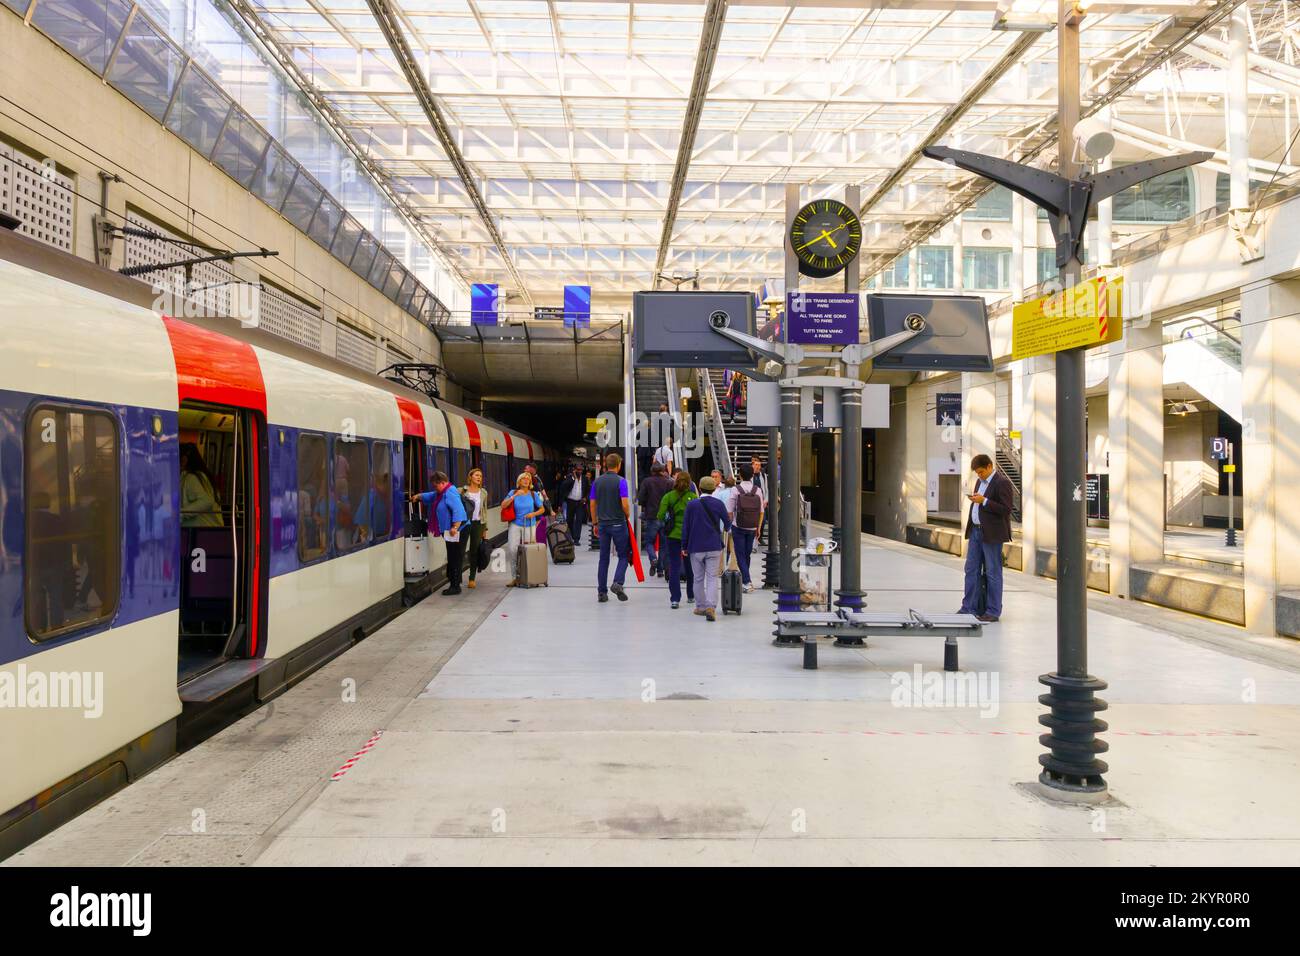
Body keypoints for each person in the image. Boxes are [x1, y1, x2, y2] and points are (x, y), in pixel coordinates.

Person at [959, 454, 1014, 623]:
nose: (979, 475)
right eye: (977, 473)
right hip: (976, 531)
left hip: (991, 534)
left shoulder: (1002, 483)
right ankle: (969, 607)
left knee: (992, 572)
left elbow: (1006, 509)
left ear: (990, 466)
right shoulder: (979, 482)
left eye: (981, 472)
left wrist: (984, 501)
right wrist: (977, 500)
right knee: (971, 570)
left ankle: (993, 611)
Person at [680, 475, 732, 622]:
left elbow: (686, 527)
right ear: (714, 488)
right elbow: (727, 525)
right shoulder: (718, 504)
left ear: (700, 488)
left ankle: (701, 607)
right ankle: (711, 607)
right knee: (712, 578)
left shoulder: (692, 505)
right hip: (714, 546)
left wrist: (684, 545)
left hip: (695, 547)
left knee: (698, 578)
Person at [409, 471, 467, 596]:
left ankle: (455, 586)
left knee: (454, 557)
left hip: (456, 531)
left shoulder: (450, 492)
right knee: (452, 556)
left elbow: (458, 510)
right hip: (450, 531)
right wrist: (419, 496)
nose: (435, 488)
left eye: (436, 485)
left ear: (442, 482)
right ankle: (454, 583)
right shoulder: (442, 492)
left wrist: (455, 527)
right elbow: (432, 495)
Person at [589, 452, 631, 603]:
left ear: (606, 465)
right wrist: (627, 514)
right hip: (619, 523)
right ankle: (618, 583)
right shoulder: (621, 481)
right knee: (623, 556)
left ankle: (602, 593)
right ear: (619, 465)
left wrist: (595, 523)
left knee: (603, 558)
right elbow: (625, 504)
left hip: (603, 525)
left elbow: (593, 504)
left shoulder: (597, 482)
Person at [656, 470, 697, 609]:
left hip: (672, 535)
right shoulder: (693, 497)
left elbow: (660, 516)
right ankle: (691, 595)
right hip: (689, 536)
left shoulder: (668, 497)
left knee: (674, 566)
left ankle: (675, 599)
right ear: (689, 482)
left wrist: (669, 517)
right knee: (690, 566)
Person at [503, 472, 546, 586]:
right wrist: (514, 496)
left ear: (530, 483)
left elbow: (542, 509)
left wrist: (533, 514)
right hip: (515, 525)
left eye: (528, 479)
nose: (526, 480)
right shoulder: (513, 492)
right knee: (513, 550)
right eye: (523, 479)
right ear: (519, 481)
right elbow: (503, 505)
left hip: (530, 525)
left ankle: (529, 576)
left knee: (528, 551)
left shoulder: (533, 494)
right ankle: (515, 578)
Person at [636, 462, 673, 576]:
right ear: (662, 471)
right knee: (663, 545)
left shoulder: (647, 482)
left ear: (652, 471)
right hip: (665, 517)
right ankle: (660, 570)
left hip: (651, 516)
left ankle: (653, 559)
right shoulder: (669, 482)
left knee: (649, 542)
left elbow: (641, 499)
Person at [732, 464, 765, 592]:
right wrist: (759, 527)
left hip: (738, 525)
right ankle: (745, 580)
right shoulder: (757, 490)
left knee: (740, 555)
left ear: (740, 474)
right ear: (752, 475)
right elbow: (761, 511)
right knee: (747, 555)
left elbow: (729, 510)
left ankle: (747, 581)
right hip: (752, 527)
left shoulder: (736, 489)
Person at [180, 443, 223, 528]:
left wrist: (181, 514)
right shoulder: (202, 476)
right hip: (210, 532)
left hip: (203, 533)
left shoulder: (192, 478)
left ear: (184, 460)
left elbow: (206, 501)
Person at [461, 467, 488, 589]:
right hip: (465, 523)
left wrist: (485, 529)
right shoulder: (461, 491)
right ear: (470, 477)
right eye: (476, 475)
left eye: (480, 476)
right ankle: (457, 578)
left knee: (474, 551)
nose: (479, 478)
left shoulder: (483, 492)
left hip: (478, 524)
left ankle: (472, 578)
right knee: (460, 551)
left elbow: (484, 511)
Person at [557, 462, 591, 541]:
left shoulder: (585, 479)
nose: (580, 471)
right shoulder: (569, 477)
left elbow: (588, 490)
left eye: (581, 470)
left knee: (579, 520)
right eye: (578, 470)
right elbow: (563, 487)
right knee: (570, 520)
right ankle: (572, 535)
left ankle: (576, 539)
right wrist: (573, 478)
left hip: (580, 502)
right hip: (570, 501)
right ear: (574, 470)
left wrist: (585, 498)